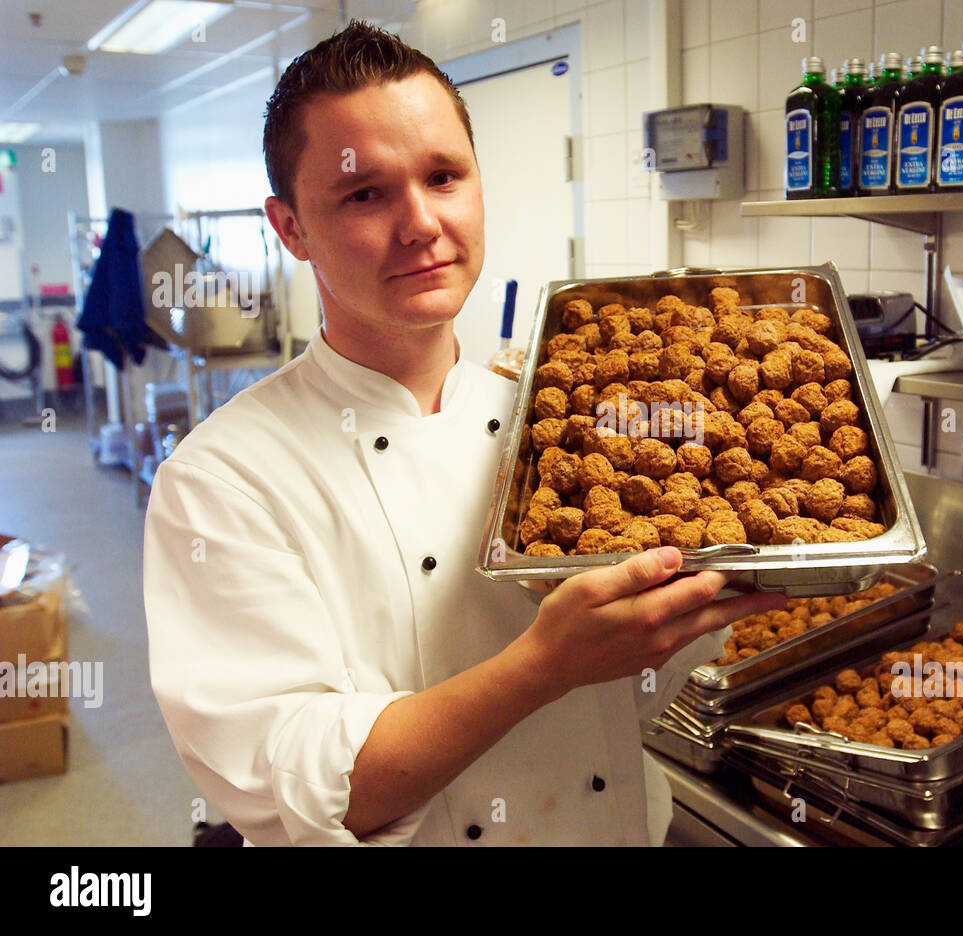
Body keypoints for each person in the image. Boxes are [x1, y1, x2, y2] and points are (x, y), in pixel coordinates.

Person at [142, 20, 785, 846]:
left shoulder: (557, 421)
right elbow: (308, 793)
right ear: (291, 226)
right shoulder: (223, 480)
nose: (420, 223)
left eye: (443, 176)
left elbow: (635, 686)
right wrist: (544, 665)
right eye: (364, 193)